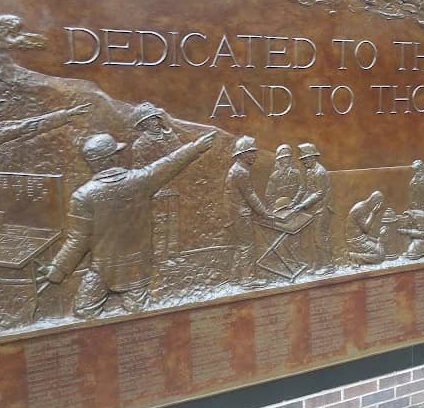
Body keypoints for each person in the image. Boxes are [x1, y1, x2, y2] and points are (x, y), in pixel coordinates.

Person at [43, 130, 216, 317]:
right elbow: (169, 164)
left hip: (102, 270)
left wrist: (58, 270)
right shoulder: (140, 181)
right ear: (111, 159)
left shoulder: (83, 196)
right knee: (138, 313)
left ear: (93, 163)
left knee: (84, 311)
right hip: (137, 268)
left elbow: (78, 240)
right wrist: (196, 147)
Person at [0, 87, 89, 233]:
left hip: (13, 199)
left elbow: (29, 125)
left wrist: (65, 115)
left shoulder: (1, 130)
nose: (2, 108)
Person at [131, 101, 182, 260]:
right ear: (143, 124)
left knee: (173, 222)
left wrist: (171, 136)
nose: (155, 122)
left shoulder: (168, 137)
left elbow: (182, 154)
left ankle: (172, 254)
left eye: (156, 118)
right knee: (160, 224)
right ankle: (160, 257)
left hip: (172, 188)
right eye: (150, 120)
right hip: (155, 192)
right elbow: (138, 171)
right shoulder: (139, 145)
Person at [225, 135, 272, 283]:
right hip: (241, 215)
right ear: (243, 154)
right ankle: (248, 279)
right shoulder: (240, 172)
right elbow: (250, 195)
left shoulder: (238, 169)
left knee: (241, 245)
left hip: (236, 214)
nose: (255, 155)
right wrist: (264, 213)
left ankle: (235, 277)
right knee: (247, 246)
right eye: (251, 152)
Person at [291, 142, 333, 269]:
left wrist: (303, 205)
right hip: (313, 209)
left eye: (305, 159)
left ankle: (328, 265)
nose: (303, 162)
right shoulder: (310, 171)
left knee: (319, 238)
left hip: (321, 209)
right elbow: (309, 191)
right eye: (302, 160)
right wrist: (296, 204)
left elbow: (319, 193)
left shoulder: (320, 172)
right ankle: (318, 264)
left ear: (312, 158)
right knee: (313, 239)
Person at [346, 191, 386, 264]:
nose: (379, 207)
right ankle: (354, 256)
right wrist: (373, 213)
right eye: (378, 204)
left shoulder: (365, 206)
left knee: (380, 243)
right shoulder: (359, 209)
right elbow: (365, 229)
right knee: (380, 256)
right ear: (373, 201)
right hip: (356, 240)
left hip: (363, 237)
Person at [265, 144, 303, 208]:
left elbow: (302, 189)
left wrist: (294, 202)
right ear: (279, 160)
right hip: (278, 208)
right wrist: (274, 206)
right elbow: (268, 195)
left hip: (294, 207)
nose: (286, 160)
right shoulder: (274, 176)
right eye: (283, 158)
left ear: (290, 159)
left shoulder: (296, 173)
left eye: (287, 157)